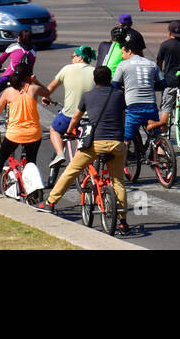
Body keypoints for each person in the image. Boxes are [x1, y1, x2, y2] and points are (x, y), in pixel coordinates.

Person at [38, 66, 130, 235]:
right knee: (118, 181)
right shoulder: (119, 95)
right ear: (110, 79)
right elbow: (123, 116)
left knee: (72, 170)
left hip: (96, 143)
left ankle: (51, 202)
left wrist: (69, 132)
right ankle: (123, 221)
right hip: (117, 143)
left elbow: (75, 117)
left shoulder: (88, 96)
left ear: (94, 80)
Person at [0, 61, 49, 199]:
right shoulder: (33, 88)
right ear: (29, 76)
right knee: (31, 160)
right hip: (34, 133)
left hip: (14, 133)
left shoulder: (8, 92)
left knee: (1, 158)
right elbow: (47, 92)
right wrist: (36, 81)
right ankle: (32, 188)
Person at [112, 31, 168, 142]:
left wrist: (124, 91)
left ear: (129, 51)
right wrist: (151, 86)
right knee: (157, 136)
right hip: (150, 105)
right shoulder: (151, 64)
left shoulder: (123, 65)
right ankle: (161, 154)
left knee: (126, 139)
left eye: (123, 53)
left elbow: (115, 84)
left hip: (133, 107)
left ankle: (125, 156)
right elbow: (163, 84)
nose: (122, 56)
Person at [44, 46, 96, 164]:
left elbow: (50, 88)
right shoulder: (95, 71)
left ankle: (60, 153)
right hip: (90, 117)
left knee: (54, 129)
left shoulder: (66, 69)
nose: (72, 59)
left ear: (79, 57)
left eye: (73, 56)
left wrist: (45, 97)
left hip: (70, 116)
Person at [156, 20, 180, 142]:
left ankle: (163, 133)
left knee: (166, 108)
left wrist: (161, 72)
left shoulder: (165, 45)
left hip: (169, 80)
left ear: (169, 32)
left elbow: (159, 61)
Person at [0, 30, 36, 95]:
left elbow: (2, 58)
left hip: (10, 74)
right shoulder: (33, 52)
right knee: (23, 95)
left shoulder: (13, 46)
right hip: (23, 78)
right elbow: (31, 69)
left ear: (19, 38)